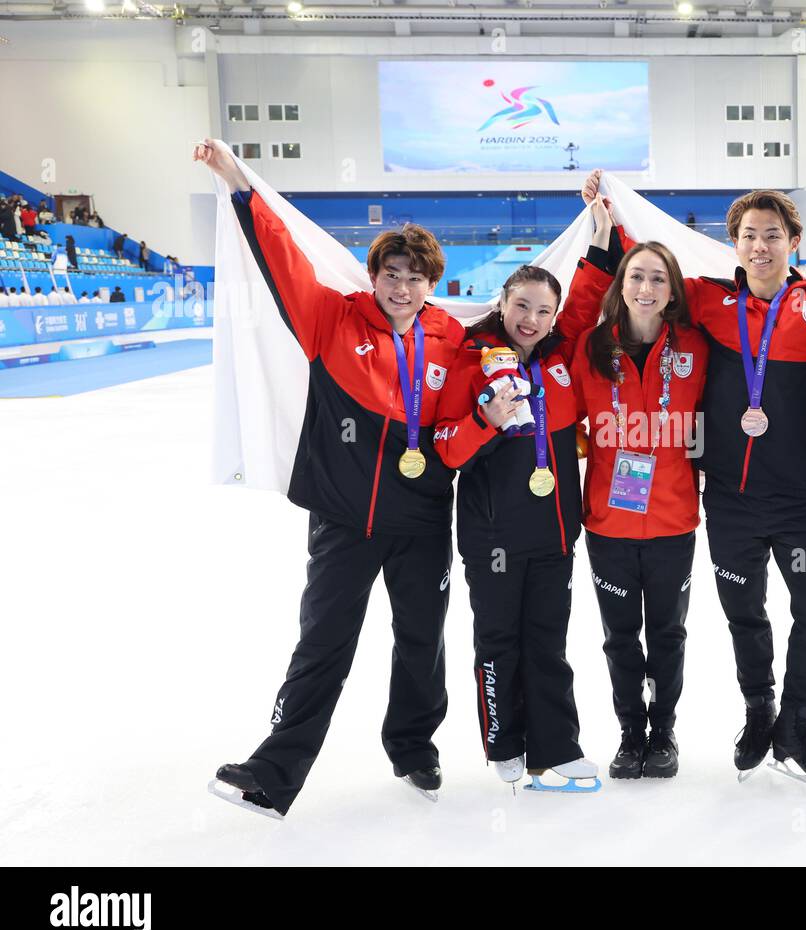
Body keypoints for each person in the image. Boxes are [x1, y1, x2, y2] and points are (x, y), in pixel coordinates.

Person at [194, 137, 464, 817]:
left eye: (415, 278)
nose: (401, 288)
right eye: (391, 274)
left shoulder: (454, 340)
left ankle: (414, 747)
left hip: (423, 520)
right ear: (373, 276)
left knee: (422, 641)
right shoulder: (332, 319)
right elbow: (281, 258)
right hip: (345, 521)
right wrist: (239, 182)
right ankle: (274, 771)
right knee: (322, 643)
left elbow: (529, 326)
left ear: (432, 284)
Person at [591, 175, 806, 787]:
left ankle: (797, 722)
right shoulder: (708, 302)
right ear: (733, 244)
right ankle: (759, 711)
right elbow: (645, 275)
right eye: (749, 235)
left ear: (794, 241)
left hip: (800, 498)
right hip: (730, 501)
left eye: (773, 235)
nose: (760, 246)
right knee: (746, 614)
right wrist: (607, 222)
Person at [432, 197, 616, 793]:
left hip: (555, 531)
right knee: (498, 641)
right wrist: (484, 420)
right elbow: (447, 450)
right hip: (492, 535)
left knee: (548, 643)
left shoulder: (562, 355)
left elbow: (587, 298)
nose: (531, 319)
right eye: (521, 306)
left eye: (543, 310)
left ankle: (557, 747)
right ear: (502, 304)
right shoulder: (470, 359)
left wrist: (602, 231)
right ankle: (504, 743)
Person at [569, 237, 710, 781]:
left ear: (673, 290)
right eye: (635, 276)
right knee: (620, 635)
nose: (646, 288)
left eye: (658, 278)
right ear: (620, 285)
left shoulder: (696, 345)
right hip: (609, 523)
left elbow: (713, 415)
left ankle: (664, 732)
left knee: (668, 634)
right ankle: (631, 733)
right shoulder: (591, 347)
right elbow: (565, 414)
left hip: (674, 520)